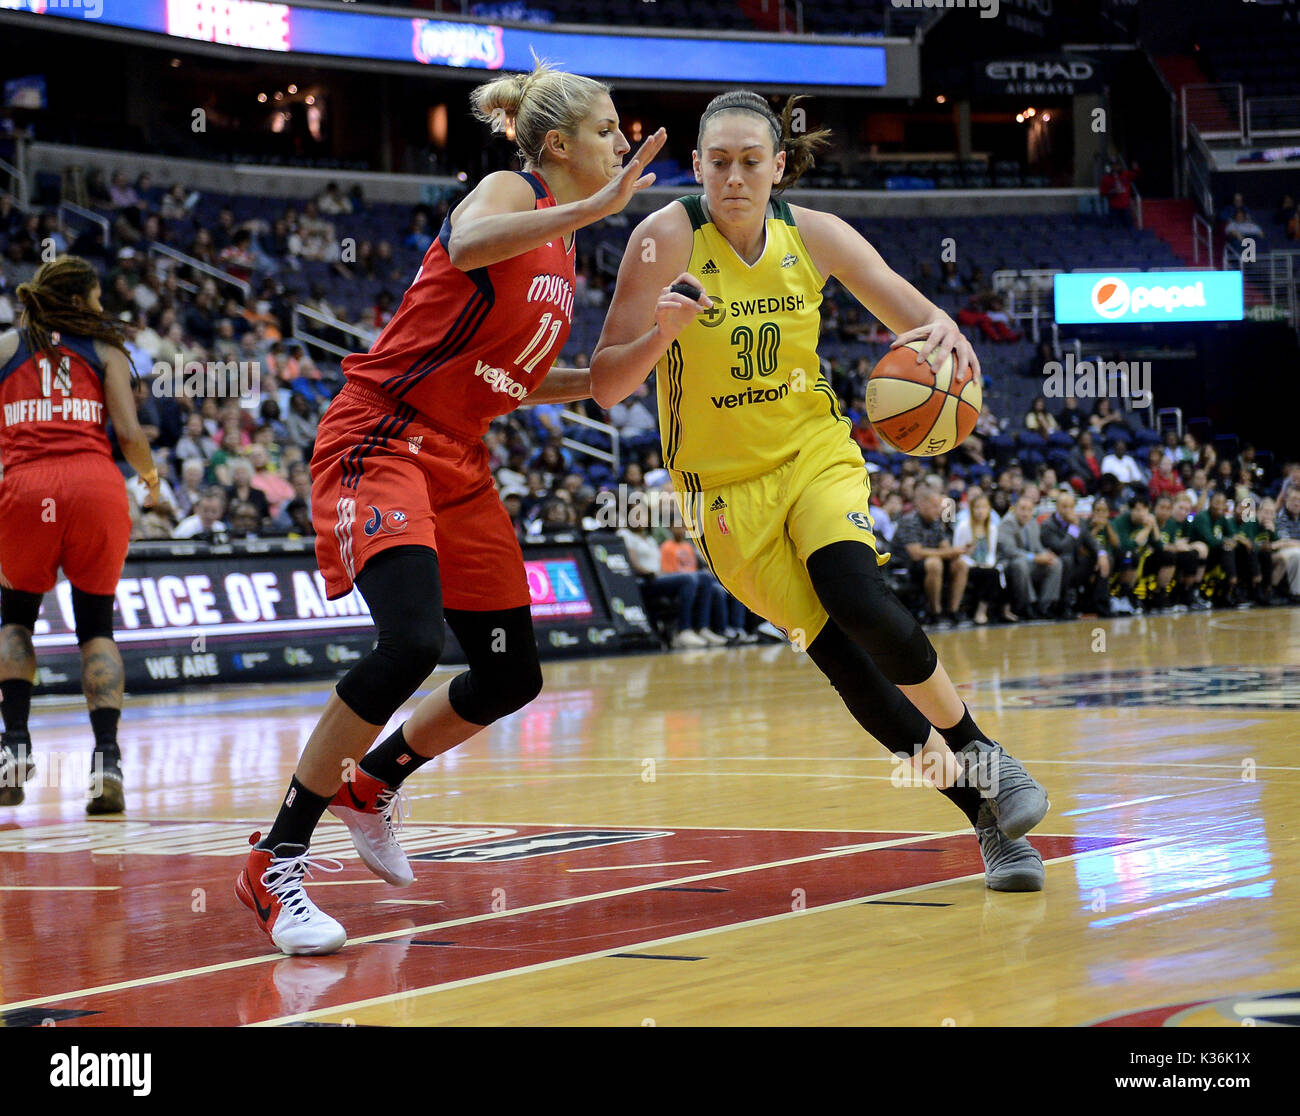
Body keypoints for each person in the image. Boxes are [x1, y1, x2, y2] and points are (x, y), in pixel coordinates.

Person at [237, 60, 667, 955]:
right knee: (409, 643)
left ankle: (375, 781)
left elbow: (513, 378)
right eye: (606, 129)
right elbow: (468, 244)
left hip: (459, 457)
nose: (622, 141)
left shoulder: (563, 246)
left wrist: (624, 361)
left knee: (511, 674)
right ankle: (274, 859)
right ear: (557, 146)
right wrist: (594, 207)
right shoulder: (512, 189)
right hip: (383, 434)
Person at [589, 90, 1049, 894]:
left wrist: (949, 335)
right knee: (853, 672)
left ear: (776, 167)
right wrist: (662, 333)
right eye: (719, 162)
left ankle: (984, 755)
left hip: (813, 455)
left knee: (857, 592)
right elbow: (603, 385)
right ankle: (986, 818)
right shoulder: (662, 240)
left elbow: (925, 318)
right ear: (696, 167)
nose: (734, 177)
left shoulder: (817, 236)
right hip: (724, 497)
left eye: (750, 162)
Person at [0, 256, 163, 813]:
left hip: (24, 489)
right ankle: (106, 764)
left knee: (16, 616)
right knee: (96, 624)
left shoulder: (5, 347)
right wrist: (150, 480)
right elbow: (128, 433)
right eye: (95, 299)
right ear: (78, 300)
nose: (101, 308)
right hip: (94, 486)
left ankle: (13, 748)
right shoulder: (106, 351)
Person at [997, 492, 1063, 619]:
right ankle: (1027, 605)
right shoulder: (1008, 522)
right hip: (1008, 565)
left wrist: (1046, 555)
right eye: (1022, 509)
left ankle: (1045, 605)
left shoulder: (1032, 523)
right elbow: (1010, 551)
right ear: (1015, 508)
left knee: (1055, 562)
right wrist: (1035, 558)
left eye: (1029, 510)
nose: (1025, 513)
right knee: (1020, 563)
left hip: (1029, 563)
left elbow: (1037, 547)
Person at [952, 490, 1004, 625]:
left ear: (989, 510)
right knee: (987, 574)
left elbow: (991, 553)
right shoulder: (963, 526)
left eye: (984, 507)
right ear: (971, 509)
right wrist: (974, 563)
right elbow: (957, 551)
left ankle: (982, 611)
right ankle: (976, 611)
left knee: (993, 572)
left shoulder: (992, 528)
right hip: (967, 564)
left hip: (984, 565)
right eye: (977, 507)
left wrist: (988, 563)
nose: (981, 511)